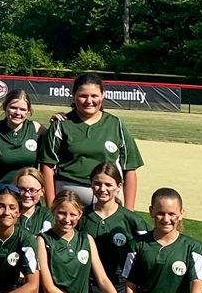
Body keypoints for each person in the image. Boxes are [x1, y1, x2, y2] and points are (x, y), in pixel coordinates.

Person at [79, 162, 150, 293]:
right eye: (97, 184)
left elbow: (144, 258)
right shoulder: (81, 217)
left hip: (121, 287)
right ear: (91, 185)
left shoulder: (132, 220)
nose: (102, 189)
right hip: (92, 288)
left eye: (108, 184)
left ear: (118, 186)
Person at [40, 73, 143, 209]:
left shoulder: (115, 124)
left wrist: (128, 211)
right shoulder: (61, 124)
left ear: (102, 96)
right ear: (74, 96)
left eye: (94, 96)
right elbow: (47, 166)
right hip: (68, 196)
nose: (89, 101)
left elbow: (129, 168)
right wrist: (51, 206)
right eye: (83, 96)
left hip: (106, 195)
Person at [0, 90, 43, 187]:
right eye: (13, 108)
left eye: (22, 109)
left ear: (28, 111)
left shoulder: (36, 129)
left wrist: (59, 119)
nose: (17, 112)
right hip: (0, 190)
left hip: (27, 192)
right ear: (5, 107)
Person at [13, 167, 53, 238]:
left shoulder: (46, 215)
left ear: (42, 192)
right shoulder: (9, 214)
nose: (26, 194)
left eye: (32, 190)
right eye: (22, 189)